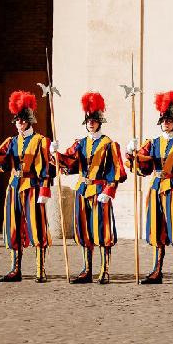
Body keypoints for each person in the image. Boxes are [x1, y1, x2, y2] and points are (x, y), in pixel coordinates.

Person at [0, 91, 54, 283]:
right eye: (17, 120)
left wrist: (45, 188)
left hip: (32, 187)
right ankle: (16, 268)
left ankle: (40, 269)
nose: (20, 123)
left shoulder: (41, 141)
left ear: (30, 120)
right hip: (14, 186)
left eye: (23, 120)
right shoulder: (12, 141)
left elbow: (45, 166)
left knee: (37, 226)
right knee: (14, 226)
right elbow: (0, 157)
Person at [56, 92, 126, 284]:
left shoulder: (109, 144)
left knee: (102, 230)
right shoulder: (80, 143)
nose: (91, 123)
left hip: (99, 191)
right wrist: (56, 154)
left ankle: (104, 270)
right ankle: (87, 270)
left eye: (94, 121)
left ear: (99, 122)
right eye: (88, 121)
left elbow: (116, 170)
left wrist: (109, 191)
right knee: (84, 230)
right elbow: (69, 161)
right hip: (82, 190)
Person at [130, 90, 173, 285]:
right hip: (156, 187)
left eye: (169, 120)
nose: (166, 123)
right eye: (163, 120)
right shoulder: (153, 142)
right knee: (157, 229)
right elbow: (143, 165)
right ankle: (157, 270)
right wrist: (132, 153)